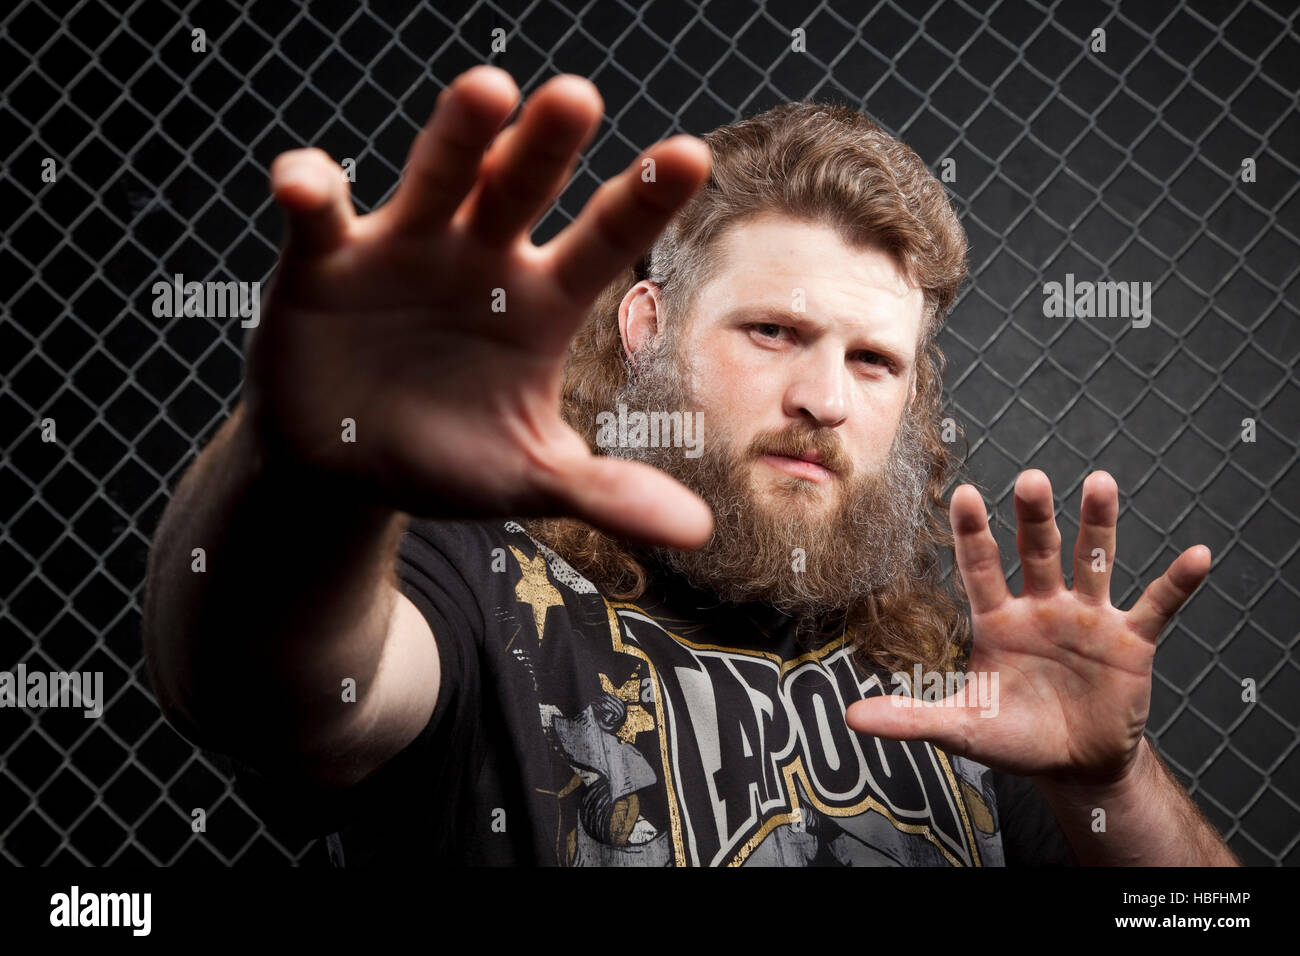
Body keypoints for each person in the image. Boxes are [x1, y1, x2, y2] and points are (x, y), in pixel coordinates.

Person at [142, 65, 1239, 867]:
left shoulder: (960, 680)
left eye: (871, 359)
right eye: (770, 331)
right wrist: (313, 466)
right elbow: (262, 689)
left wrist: (1109, 781)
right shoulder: (478, 588)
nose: (823, 397)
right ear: (644, 325)